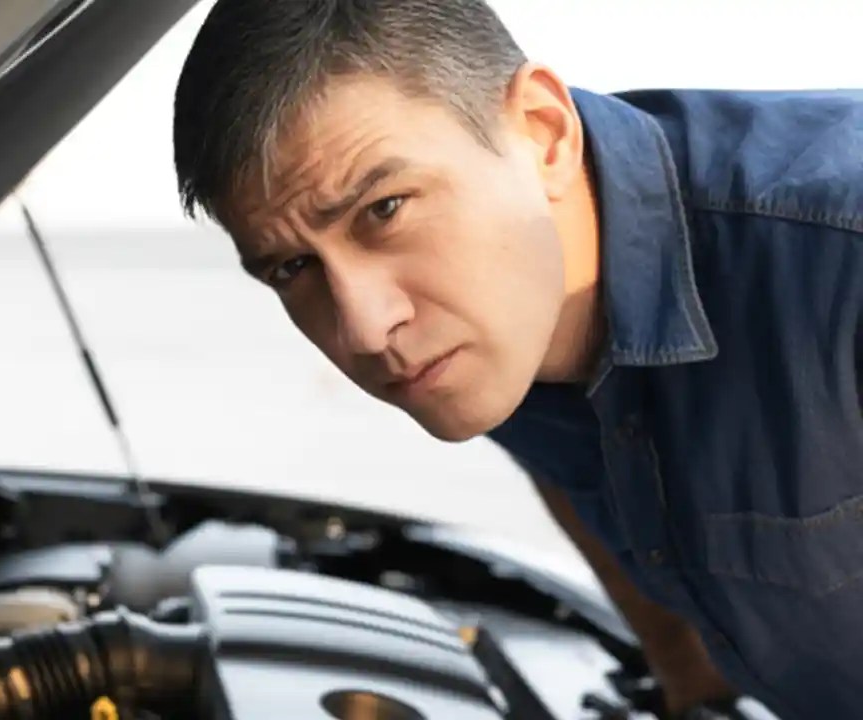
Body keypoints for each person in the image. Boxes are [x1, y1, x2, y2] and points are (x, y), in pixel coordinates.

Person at [170, 1, 863, 718]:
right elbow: (573, 464)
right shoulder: (499, 317)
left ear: (544, 131)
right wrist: (686, 678)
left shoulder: (841, 258)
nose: (365, 329)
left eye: (383, 209)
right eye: (292, 268)